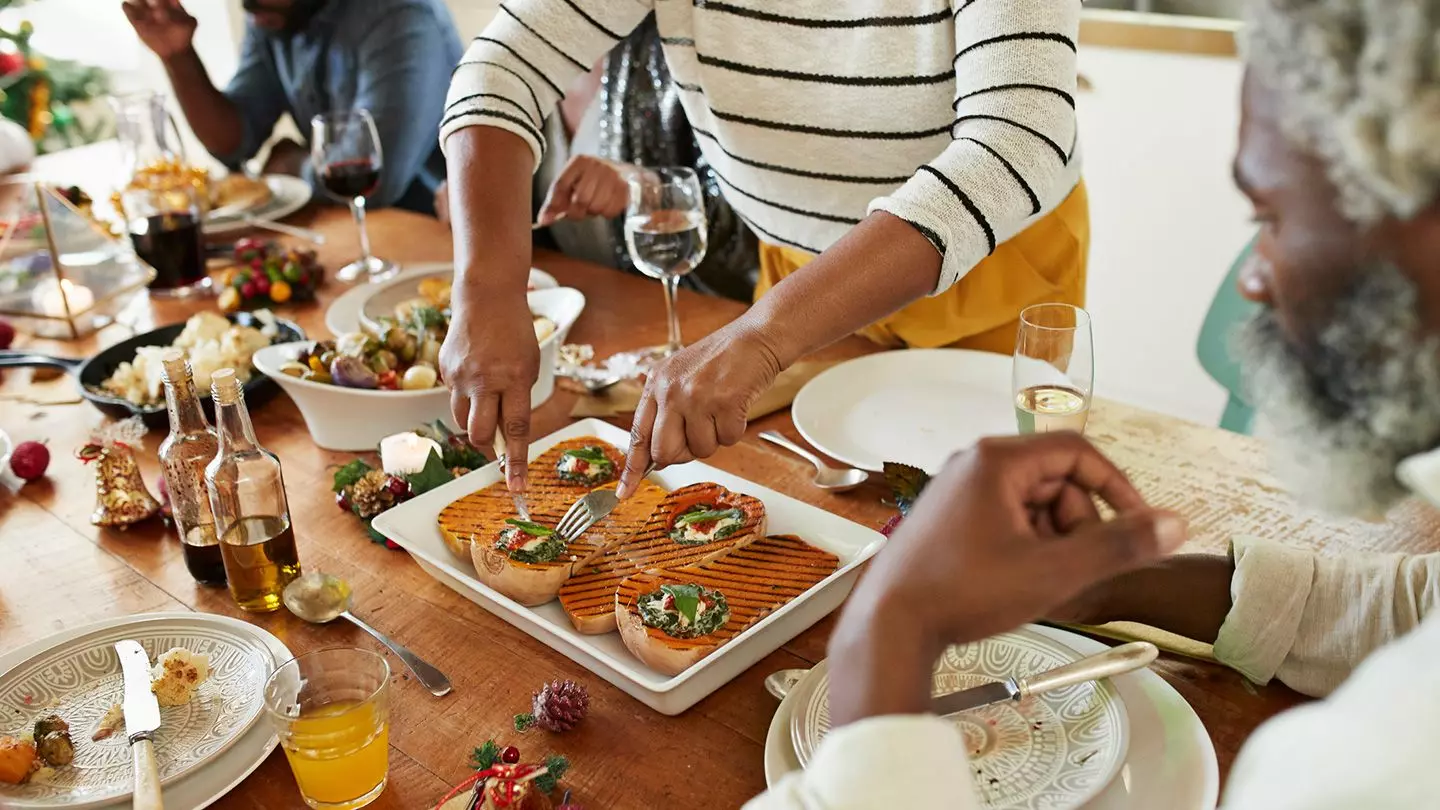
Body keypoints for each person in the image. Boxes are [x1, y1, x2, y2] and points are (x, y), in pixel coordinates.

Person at [745, 0, 1440, 807]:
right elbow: (1414, 609)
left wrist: (888, 633)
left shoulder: (1361, 770)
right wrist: (1116, 583)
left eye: (1271, 214)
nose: (1252, 276)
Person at [438, 1, 1088, 489]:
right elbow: (504, 68)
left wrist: (766, 336)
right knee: (813, 497)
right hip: (799, 274)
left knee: (993, 513)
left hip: (985, 269)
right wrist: (487, 289)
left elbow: (1020, 138)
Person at [436, 14, 758, 301]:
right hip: (584, 306)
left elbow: (745, 231)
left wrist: (645, 187)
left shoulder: (684, 41)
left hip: (698, 317)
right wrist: (482, 199)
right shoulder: (514, 64)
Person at [121, 0, 461, 214]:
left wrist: (293, 164)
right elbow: (234, 140)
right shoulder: (271, 13)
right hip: (342, 227)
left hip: (432, 231)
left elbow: (379, 183)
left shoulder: (399, 14)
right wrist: (178, 56)